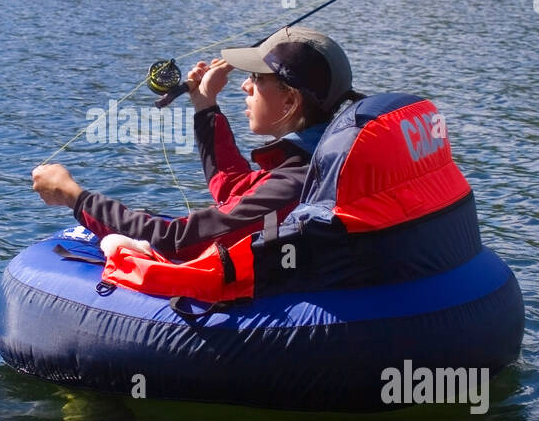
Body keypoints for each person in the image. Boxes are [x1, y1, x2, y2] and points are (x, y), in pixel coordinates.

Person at [31, 26, 357, 261]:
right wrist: (205, 103)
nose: (245, 85)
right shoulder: (313, 158)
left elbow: (177, 242)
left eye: (257, 78)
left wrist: (74, 197)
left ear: (291, 101)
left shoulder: (296, 181)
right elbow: (235, 189)